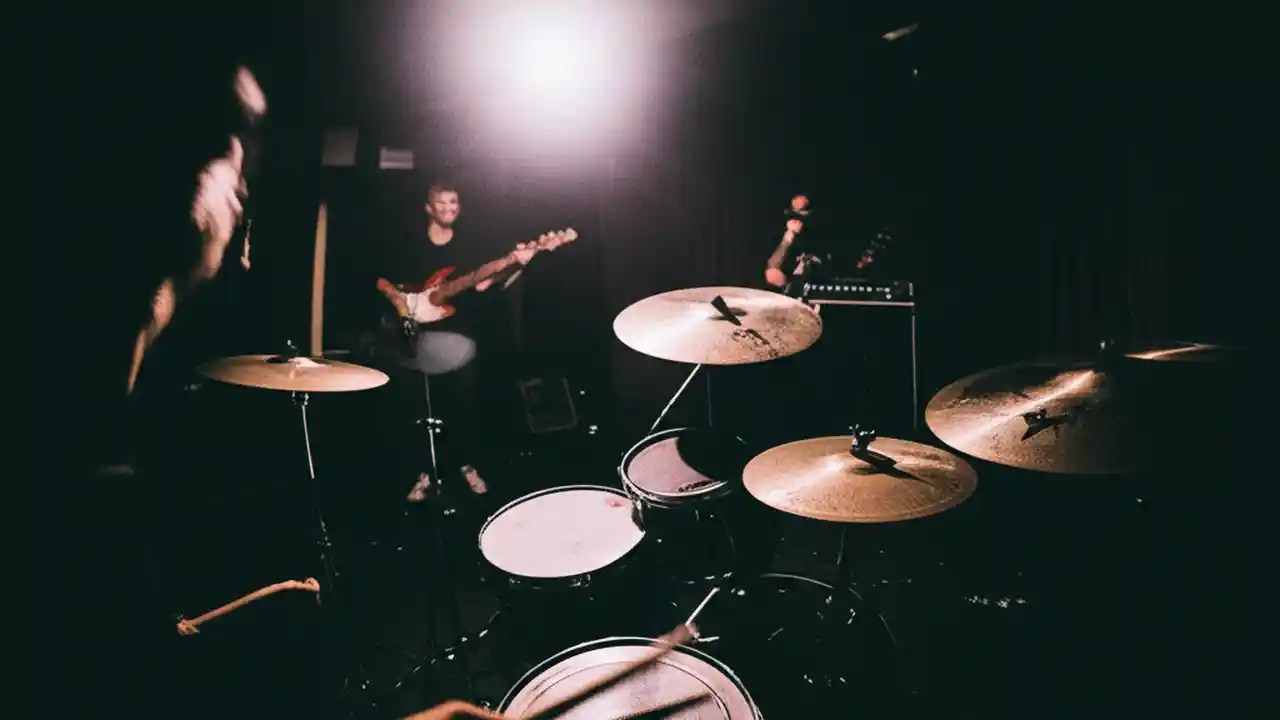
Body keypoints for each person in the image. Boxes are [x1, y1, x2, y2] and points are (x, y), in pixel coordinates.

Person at [375, 182, 533, 503]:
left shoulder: (467, 248)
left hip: (458, 338)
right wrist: (400, 303)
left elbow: (483, 284)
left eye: (455, 202)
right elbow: (382, 280)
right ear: (429, 208)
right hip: (414, 337)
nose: (450, 207)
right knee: (418, 405)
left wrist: (516, 264)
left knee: (463, 406)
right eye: (442, 202)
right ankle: (422, 472)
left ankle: (465, 465)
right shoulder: (409, 244)